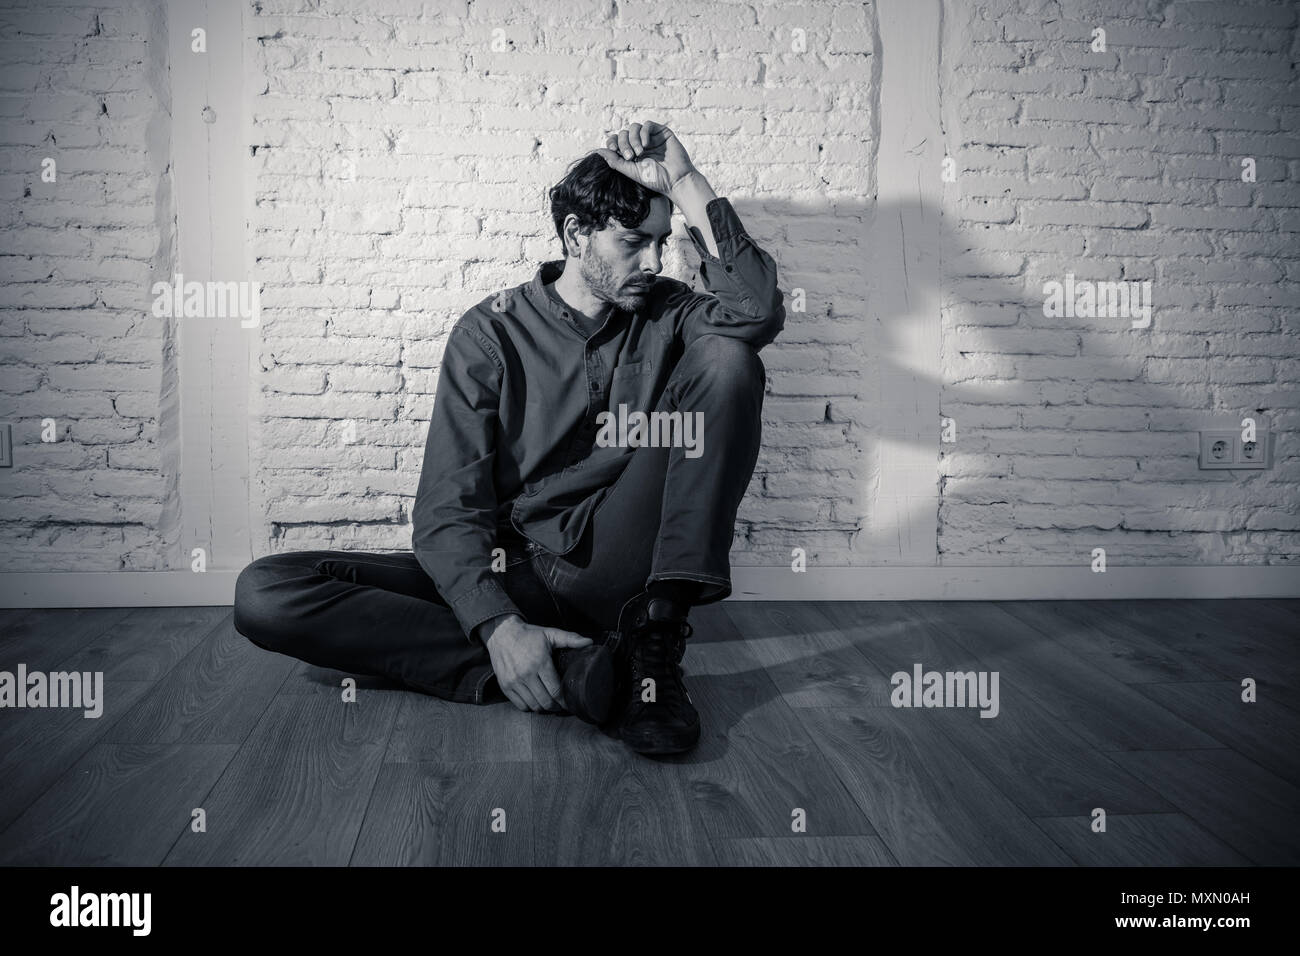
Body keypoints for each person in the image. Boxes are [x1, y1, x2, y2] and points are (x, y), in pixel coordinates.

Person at [233, 121, 785, 755]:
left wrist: (686, 182)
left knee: (729, 361)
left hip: (616, 566)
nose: (657, 262)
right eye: (634, 242)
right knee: (267, 593)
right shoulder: (489, 334)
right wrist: (497, 624)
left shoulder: (668, 309)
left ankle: (653, 641)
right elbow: (447, 508)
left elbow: (757, 310)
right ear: (577, 235)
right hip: (513, 572)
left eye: (663, 242)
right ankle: (575, 671)